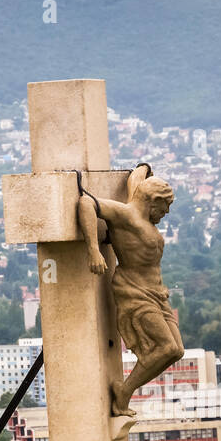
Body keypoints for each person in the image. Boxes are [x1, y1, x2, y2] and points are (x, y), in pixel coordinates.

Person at [76, 163, 184, 416]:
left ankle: (127, 386)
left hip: (157, 294)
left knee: (176, 351)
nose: (165, 213)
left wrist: (144, 168)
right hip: (135, 292)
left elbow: (137, 179)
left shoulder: (141, 206)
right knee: (166, 348)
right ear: (152, 201)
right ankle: (124, 391)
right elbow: (85, 203)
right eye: (164, 207)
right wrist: (93, 249)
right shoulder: (126, 215)